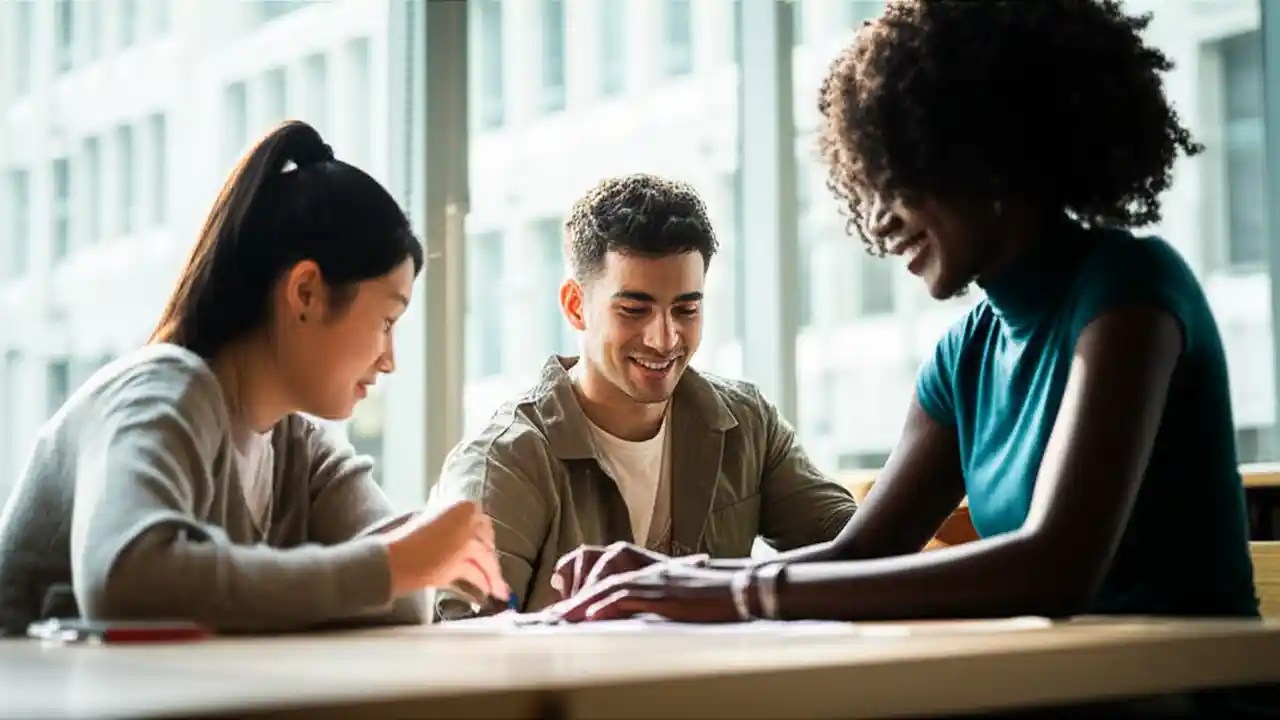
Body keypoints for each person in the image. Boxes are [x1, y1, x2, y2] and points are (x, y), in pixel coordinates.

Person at [548, 0, 1259, 623]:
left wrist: (742, 595)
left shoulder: (1127, 290)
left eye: (904, 177)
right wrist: (670, 577)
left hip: (1182, 689)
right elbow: (862, 551)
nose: (879, 222)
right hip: (1054, 690)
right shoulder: (964, 356)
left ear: (992, 154)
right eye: (868, 186)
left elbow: (1056, 567)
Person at [0, 121, 506, 634]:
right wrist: (394, 564)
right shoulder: (162, 389)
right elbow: (127, 579)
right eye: (386, 322)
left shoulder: (296, 447)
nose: (389, 359)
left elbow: (402, 602)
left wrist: (402, 566)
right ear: (306, 292)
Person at [427, 174, 856, 614]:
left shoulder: (748, 425)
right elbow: (466, 638)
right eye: (634, 310)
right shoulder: (504, 461)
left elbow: (858, 549)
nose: (664, 339)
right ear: (576, 306)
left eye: (686, 309)